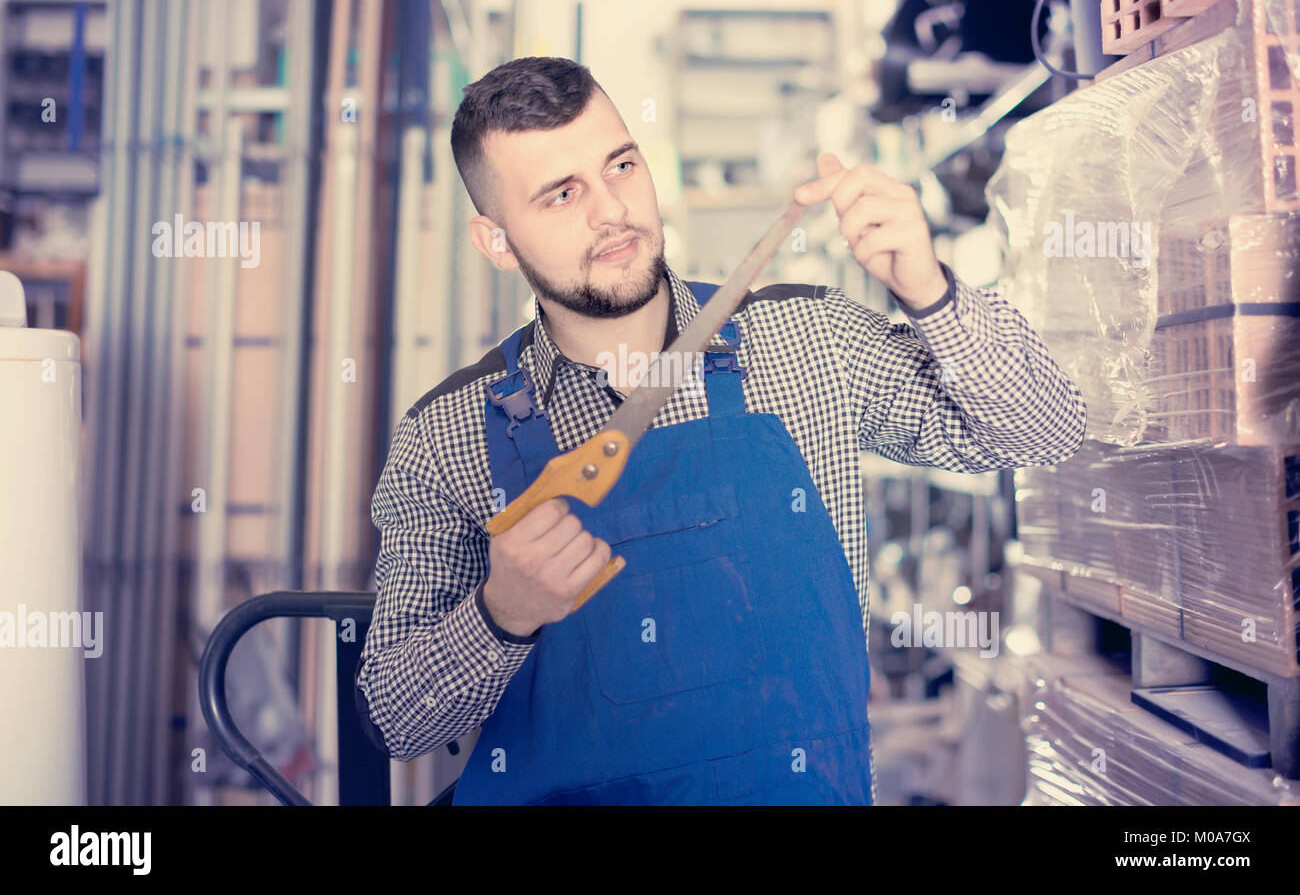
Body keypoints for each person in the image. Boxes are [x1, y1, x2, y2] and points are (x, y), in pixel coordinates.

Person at [355, 56, 1086, 805]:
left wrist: (929, 290)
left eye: (620, 165)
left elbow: (1047, 429)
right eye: (562, 193)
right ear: (496, 239)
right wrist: (499, 614)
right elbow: (394, 718)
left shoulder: (807, 345)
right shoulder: (446, 437)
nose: (611, 210)